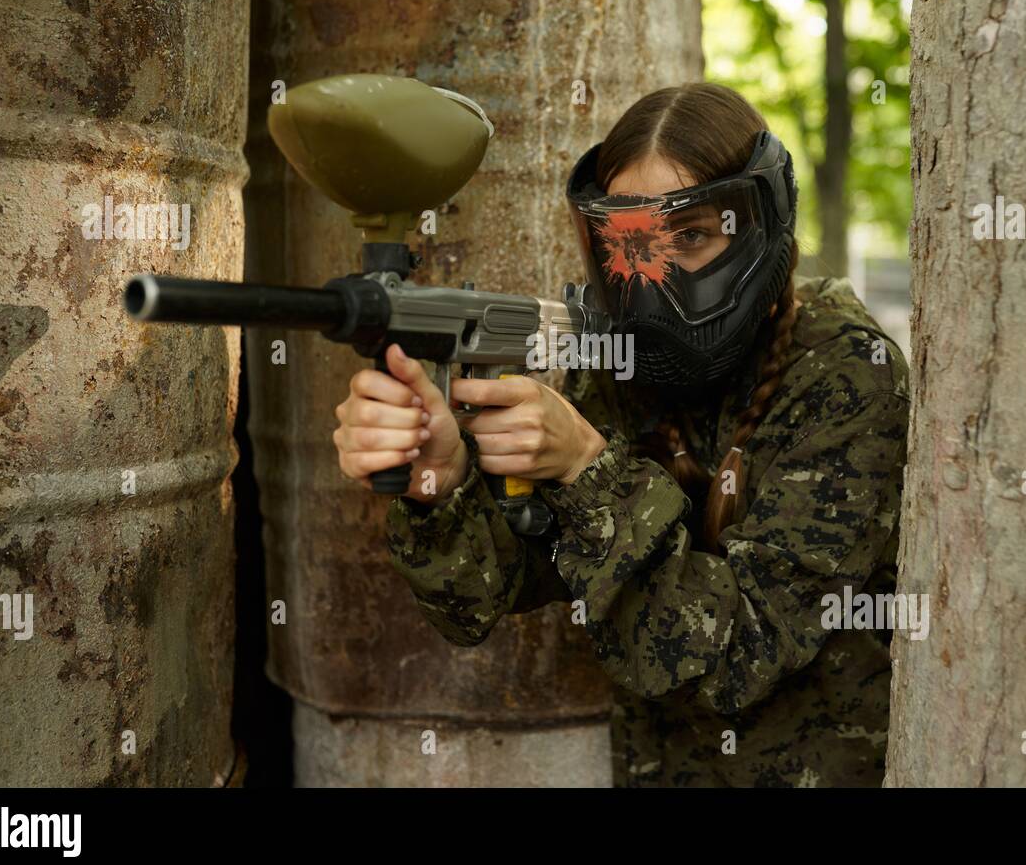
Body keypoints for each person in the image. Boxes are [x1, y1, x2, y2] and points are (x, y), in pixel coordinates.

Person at [332, 82, 909, 787]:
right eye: (629, 243)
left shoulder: (846, 372)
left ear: (761, 222)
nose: (653, 278)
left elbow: (743, 652)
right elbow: (486, 595)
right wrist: (440, 482)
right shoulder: (614, 372)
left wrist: (585, 466)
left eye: (692, 235)